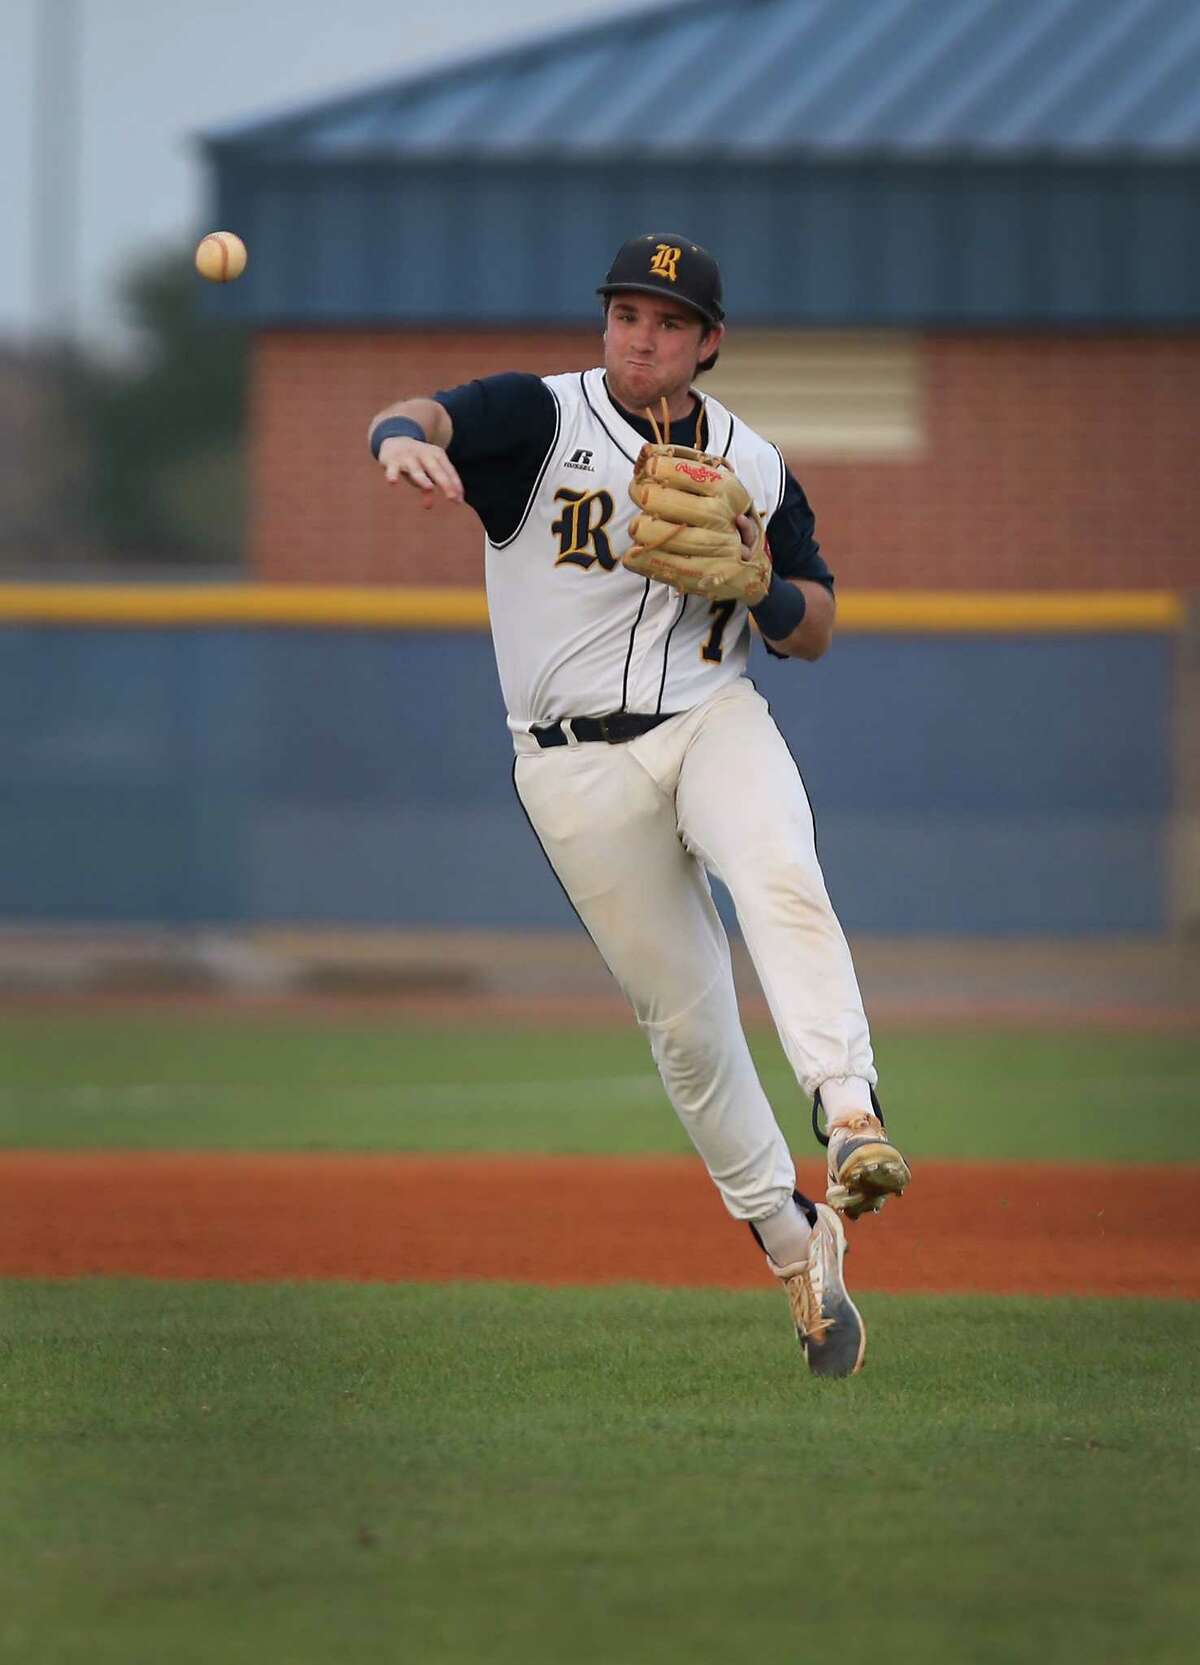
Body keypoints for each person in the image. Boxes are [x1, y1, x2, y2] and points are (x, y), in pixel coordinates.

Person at [368, 232, 910, 1378]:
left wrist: (764, 583)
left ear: (708, 343)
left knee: (777, 872)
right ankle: (795, 1248)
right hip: (570, 766)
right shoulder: (542, 417)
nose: (639, 337)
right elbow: (423, 413)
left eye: (667, 322)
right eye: (625, 314)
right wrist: (402, 443)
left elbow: (815, 624)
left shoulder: (754, 464)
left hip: (710, 716)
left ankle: (851, 1112)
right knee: (689, 1027)